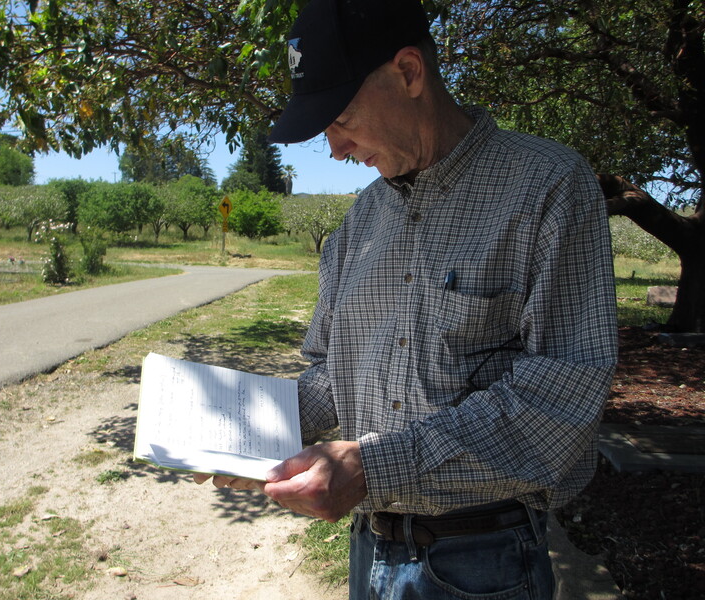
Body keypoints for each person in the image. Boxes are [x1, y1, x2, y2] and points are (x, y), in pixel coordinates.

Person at [195, 0, 618, 597]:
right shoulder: (357, 226)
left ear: (409, 72)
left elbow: (562, 396)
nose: (335, 149)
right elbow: (330, 376)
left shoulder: (548, 187)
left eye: (340, 117)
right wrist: (246, 432)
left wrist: (371, 468)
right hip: (371, 550)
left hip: (485, 560)